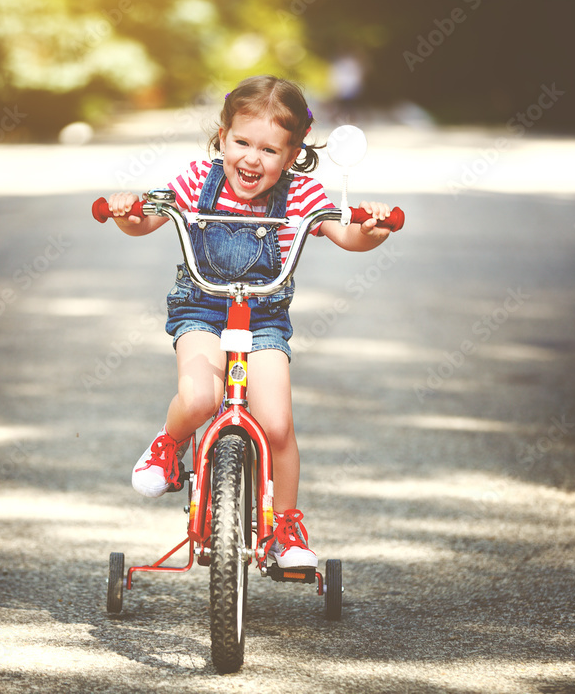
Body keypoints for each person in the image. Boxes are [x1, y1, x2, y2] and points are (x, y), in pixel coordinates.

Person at [104, 75, 395, 570]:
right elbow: (148, 217)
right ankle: (169, 446)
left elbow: (346, 235)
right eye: (241, 142)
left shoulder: (301, 195)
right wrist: (125, 212)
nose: (251, 158)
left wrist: (373, 229)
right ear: (222, 136)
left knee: (277, 424)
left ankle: (284, 527)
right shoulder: (198, 179)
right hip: (201, 306)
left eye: (269, 149)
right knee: (200, 398)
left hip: (262, 318)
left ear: (292, 154)